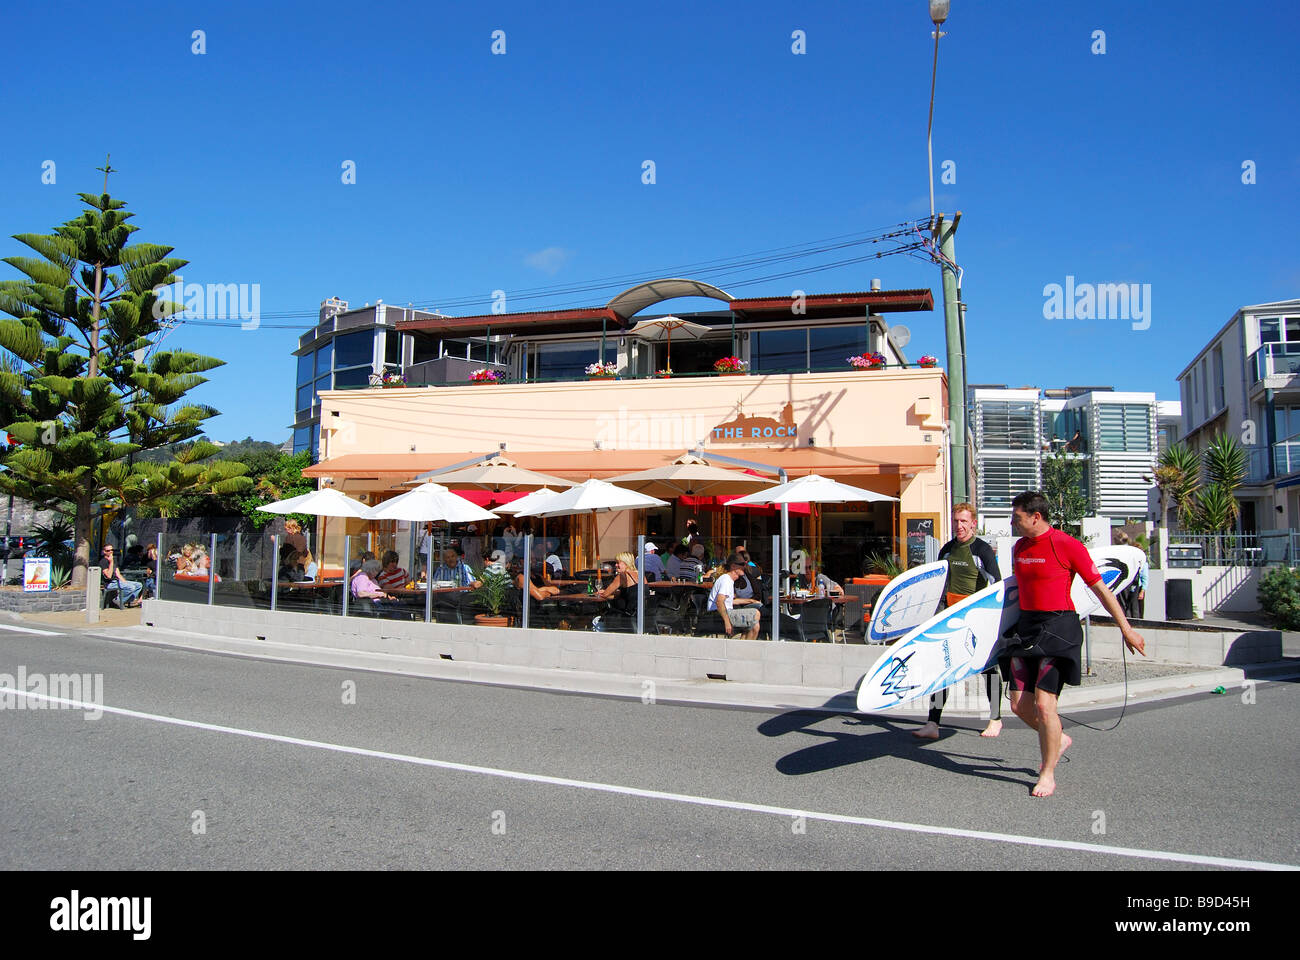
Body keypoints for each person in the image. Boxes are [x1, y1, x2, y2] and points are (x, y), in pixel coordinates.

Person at [1002, 491, 1146, 798]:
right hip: (1026, 628)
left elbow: (1102, 590)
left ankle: (1047, 772)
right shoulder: (1019, 548)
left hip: (1059, 628)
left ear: (1035, 517)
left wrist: (1127, 628)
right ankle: (1058, 738)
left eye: (1017, 517)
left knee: (1044, 705)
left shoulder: (1067, 545)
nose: (1013, 523)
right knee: (1018, 705)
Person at [914, 503, 1004, 741]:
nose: (959, 526)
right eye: (956, 521)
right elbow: (938, 582)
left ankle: (995, 718)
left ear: (973, 523)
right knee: (942, 669)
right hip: (951, 617)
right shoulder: (947, 549)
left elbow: (997, 584)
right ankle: (933, 723)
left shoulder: (982, 550)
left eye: (964, 521)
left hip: (977, 618)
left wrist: (991, 618)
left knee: (987, 670)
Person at [707, 554, 762, 639]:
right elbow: (719, 601)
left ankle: (742, 649)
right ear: (733, 566)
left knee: (755, 626)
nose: (745, 566)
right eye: (742, 564)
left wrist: (751, 601)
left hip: (724, 612)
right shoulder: (726, 580)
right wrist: (727, 622)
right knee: (755, 614)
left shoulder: (729, 580)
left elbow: (730, 601)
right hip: (718, 614)